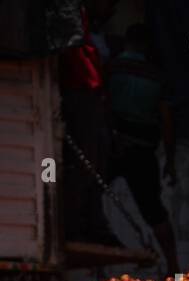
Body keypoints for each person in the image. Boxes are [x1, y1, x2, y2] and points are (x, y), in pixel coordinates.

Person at [107, 23, 179, 274]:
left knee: (88, 193)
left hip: (111, 146)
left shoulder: (111, 68)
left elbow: (99, 104)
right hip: (142, 152)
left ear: (127, 42)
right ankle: (173, 265)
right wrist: (170, 160)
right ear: (148, 46)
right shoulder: (157, 77)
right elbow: (167, 122)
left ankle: (94, 233)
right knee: (154, 210)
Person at [59, 2, 115, 245]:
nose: (110, 9)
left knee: (96, 162)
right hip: (79, 93)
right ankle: (76, 226)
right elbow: (76, 62)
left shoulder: (89, 29)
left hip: (89, 96)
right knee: (84, 162)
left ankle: (92, 223)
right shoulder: (70, 14)